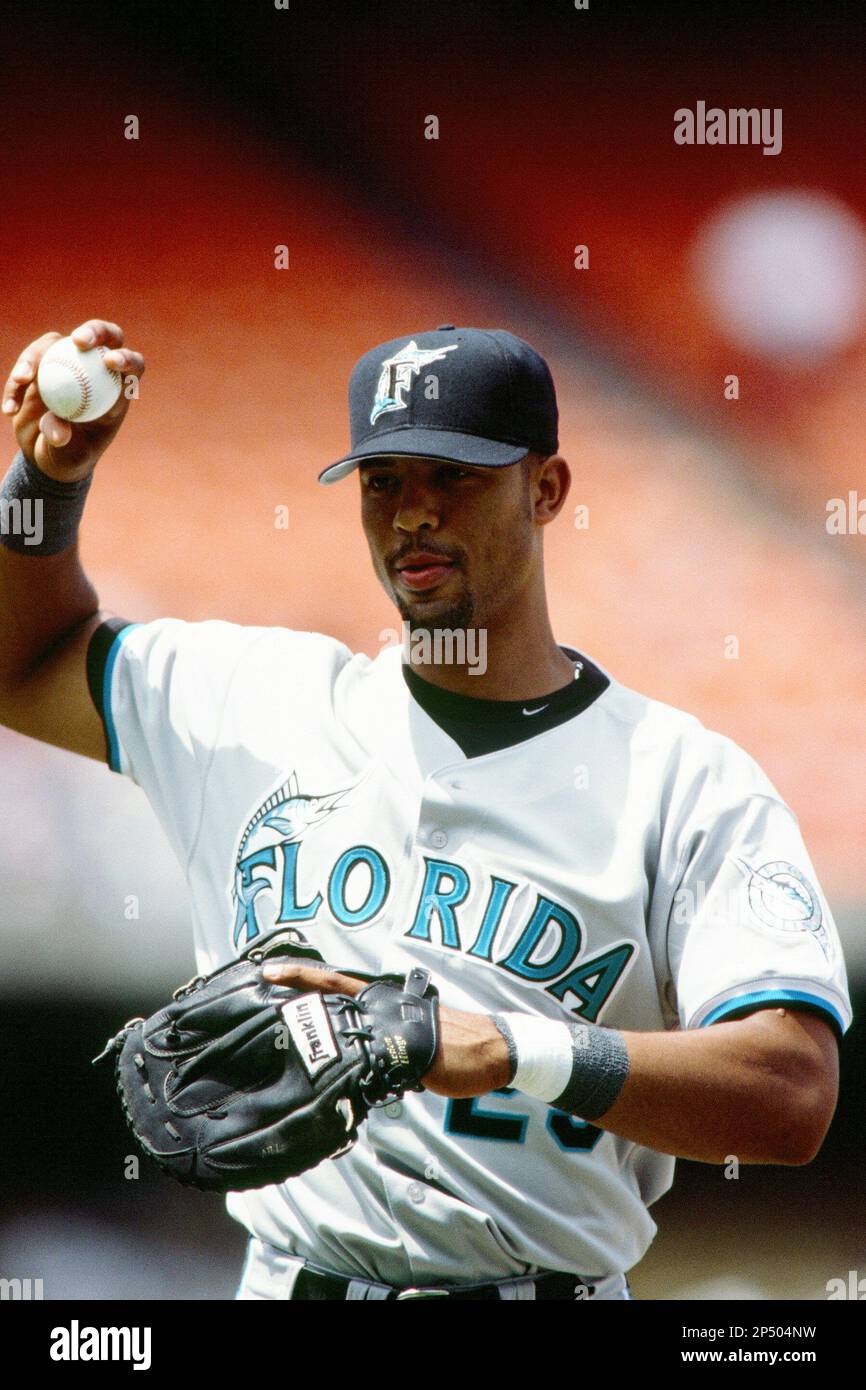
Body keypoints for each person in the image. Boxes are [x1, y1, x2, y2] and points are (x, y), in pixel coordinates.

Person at [0, 319, 850, 1302]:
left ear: (546, 488)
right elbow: (20, 666)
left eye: (453, 476)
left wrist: (501, 1047)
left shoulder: (681, 779)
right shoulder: (251, 699)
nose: (411, 514)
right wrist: (47, 483)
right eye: (383, 480)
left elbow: (790, 1090)